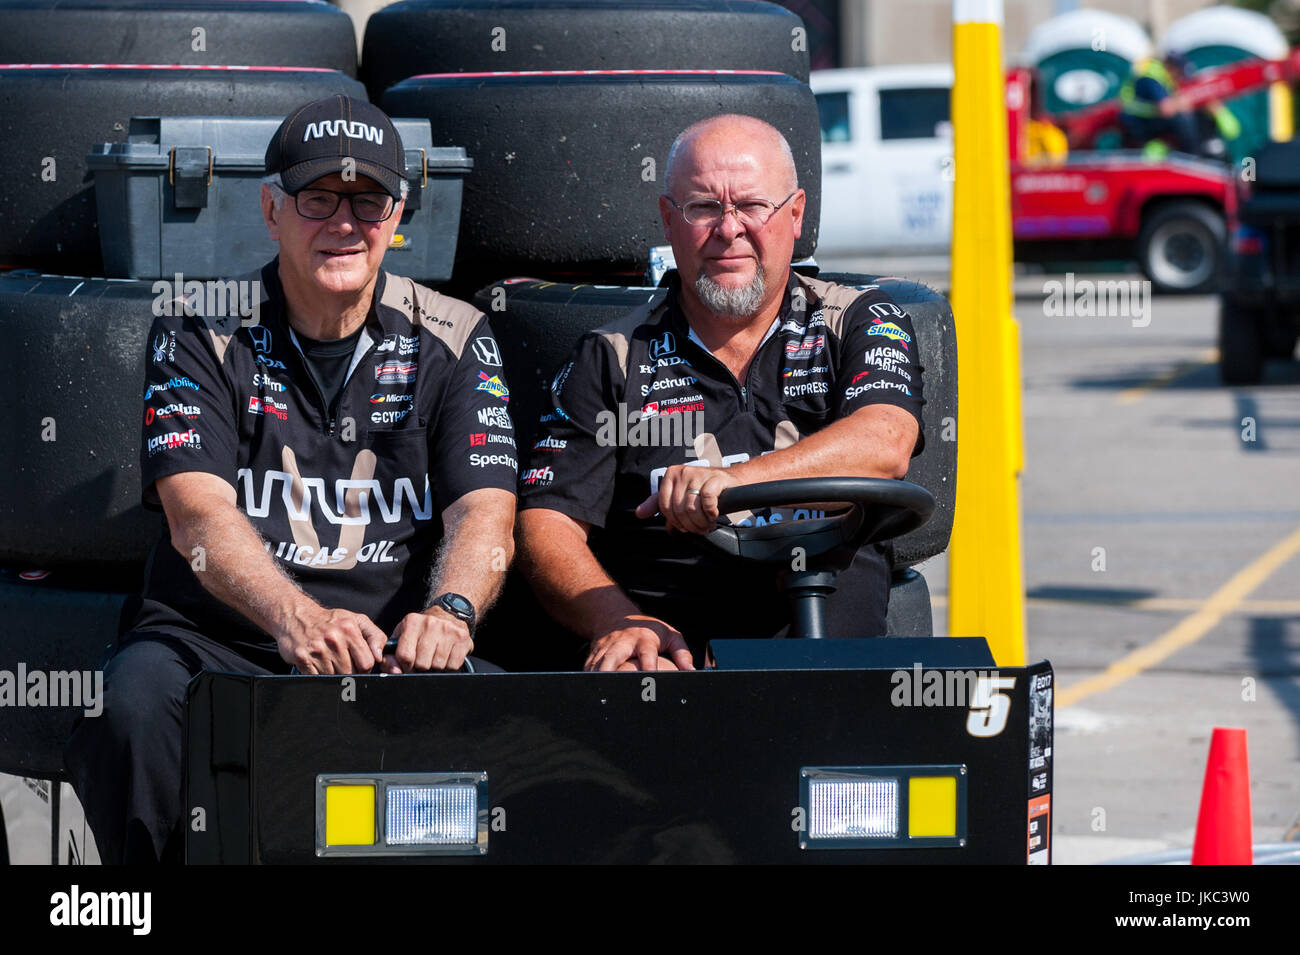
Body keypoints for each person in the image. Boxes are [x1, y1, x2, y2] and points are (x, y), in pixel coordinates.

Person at [63, 95, 518, 863]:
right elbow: (196, 516)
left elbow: (487, 512)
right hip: (219, 639)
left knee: (528, 726)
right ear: (271, 209)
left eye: (368, 200)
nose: (344, 222)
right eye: (318, 198)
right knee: (127, 705)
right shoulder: (200, 324)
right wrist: (293, 617)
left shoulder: (458, 333)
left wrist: (452, 609)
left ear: (398, 213)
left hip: (392, 647)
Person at [514, 114, 925, 673]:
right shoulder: (610, 355)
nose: (729, 229)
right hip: (666, 673)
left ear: (796, 214)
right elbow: (547, 521)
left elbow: (886, 442)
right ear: (668, 220)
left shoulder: (861, 320)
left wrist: (731, 484)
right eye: (703, 207)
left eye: (753, 206)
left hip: (829, 667)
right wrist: (618, 620)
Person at [1119, 52, 1240, 158]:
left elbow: (1232, 131)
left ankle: (1194, 155)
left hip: (1142, 124)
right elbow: (1166, 108)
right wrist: (1184, 102)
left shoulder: (1158, 77)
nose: (1180, 78)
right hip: (1140, 126)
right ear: (1172, 68)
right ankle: (1192, 156)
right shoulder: (1152, 78)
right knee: (1182, 118)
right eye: (1180, 73)